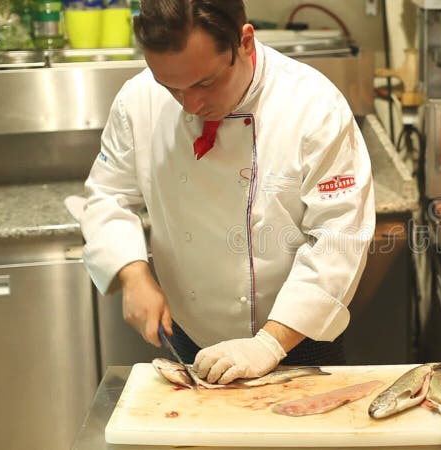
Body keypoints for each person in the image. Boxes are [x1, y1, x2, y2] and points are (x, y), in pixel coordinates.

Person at [79, 0, 375, 385]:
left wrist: (268, 345)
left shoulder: (312, 106)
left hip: (296, 337)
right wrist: (133, 274)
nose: (191, 105)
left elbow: (339, 238)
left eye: (205, 83)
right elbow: (107, 194)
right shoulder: (137, 100)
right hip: (190, 339)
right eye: (170, 87)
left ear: (245, 43)